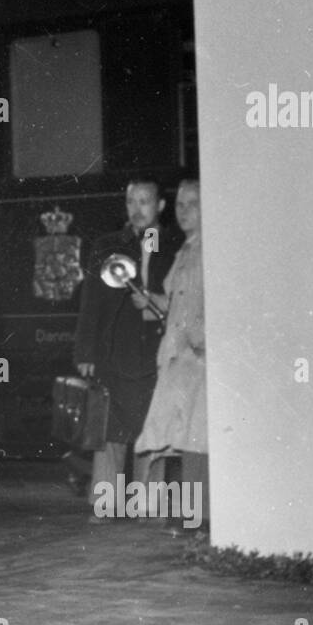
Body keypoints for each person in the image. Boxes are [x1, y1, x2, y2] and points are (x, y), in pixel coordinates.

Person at [73, 179, 182, 509]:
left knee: (154, 430)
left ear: (161, 206)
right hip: (114, 353)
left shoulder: (177, 246)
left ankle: (149, 506)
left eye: (144, 201)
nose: (136, 209)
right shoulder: (108, 246)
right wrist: (86, 352)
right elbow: (90, 303)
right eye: (131, 202)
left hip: (158, 354)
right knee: (109, 431)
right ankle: (105, 506)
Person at [133, 179, 208, 527]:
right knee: (174, 435)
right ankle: (181, 515)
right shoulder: (185, 251)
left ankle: (196, 516)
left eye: (192, 203)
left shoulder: (210, 250)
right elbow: (175, 304)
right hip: (175, 357)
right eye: (179, 204)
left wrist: (202, 337)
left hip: (197, 359)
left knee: (194, 436)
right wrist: (150, 299)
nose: (184, 211)